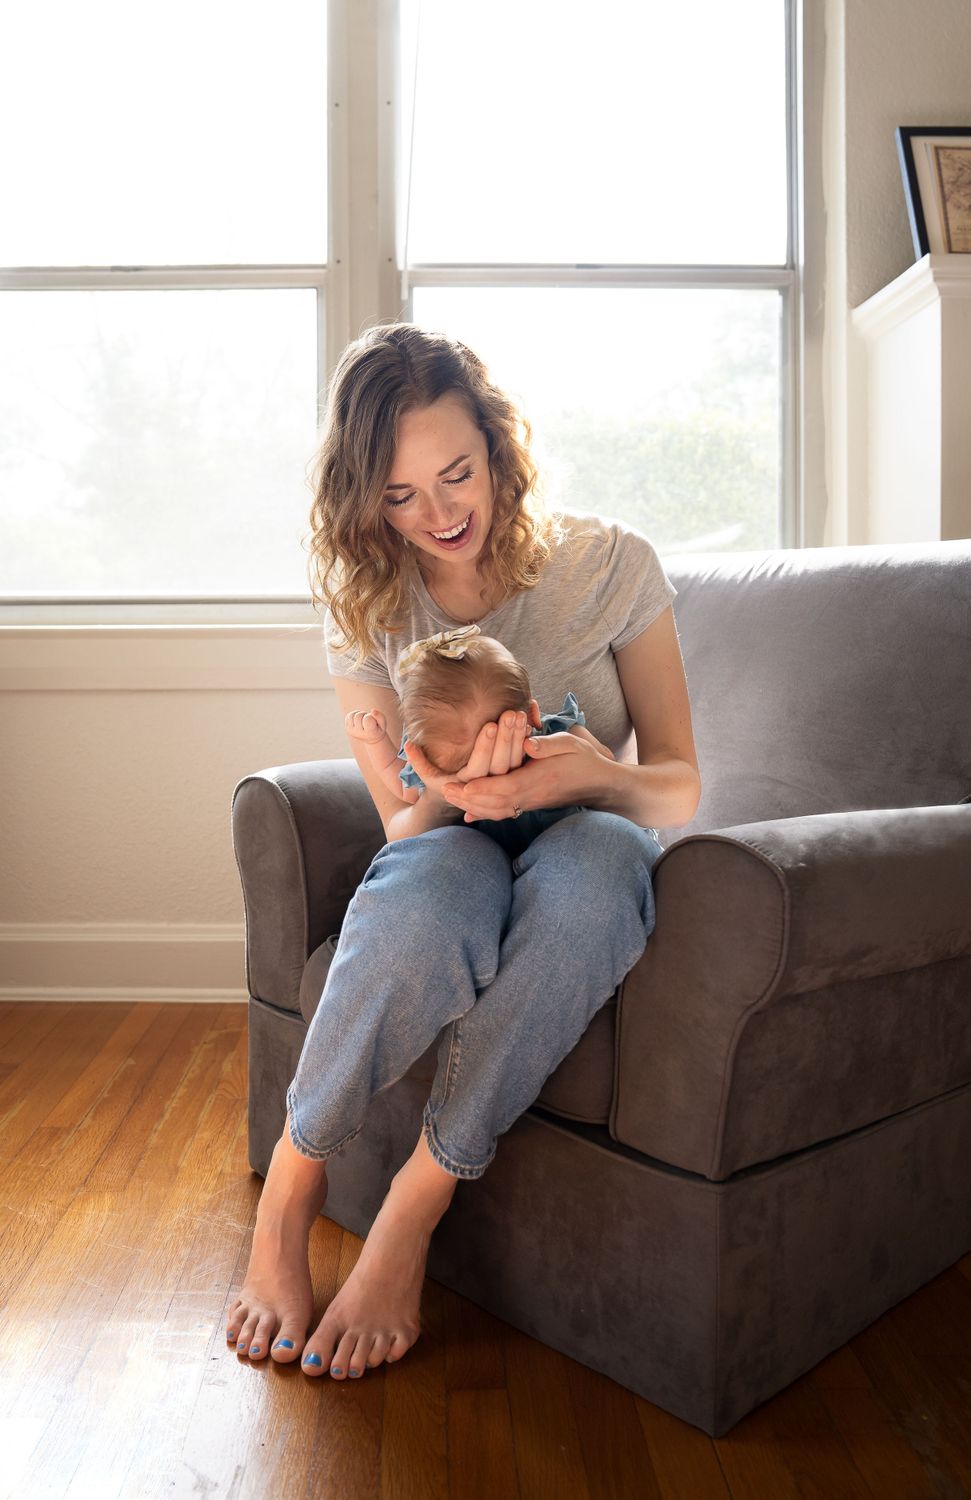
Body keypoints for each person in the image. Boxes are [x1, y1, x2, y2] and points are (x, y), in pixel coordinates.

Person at [225, 323, 700, 1382]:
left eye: (457, 473)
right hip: (450, 844)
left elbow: (679, 782)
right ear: (364, 501)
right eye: (399, 495)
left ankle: (413, 1206)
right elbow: (403, 825)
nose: (439, 514)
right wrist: (451, 788)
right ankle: (291, 1193)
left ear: (496, 444)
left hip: (588, 828)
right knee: (422, 899)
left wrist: (591, 775)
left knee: (598, 882)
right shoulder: (366, 597)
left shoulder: (610, 565)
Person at [345, 622, 625, 860]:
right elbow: (606, 761)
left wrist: (377, 742)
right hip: (552, 853)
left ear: (418, 749)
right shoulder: (556, 735)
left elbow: (402, 787)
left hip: (490, 862)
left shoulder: (444, 775)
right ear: (533, 713)